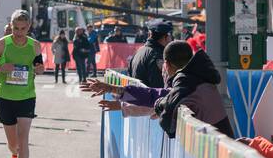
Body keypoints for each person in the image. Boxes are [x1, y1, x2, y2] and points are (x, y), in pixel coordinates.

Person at [88, 41, 234, 138]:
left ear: (167, 64)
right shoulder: (197, 78)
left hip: (217, 157)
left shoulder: (187, 84)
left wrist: (112, 89)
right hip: (220, 148)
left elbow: (160, 103)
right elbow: (161, 98)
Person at [0, 9, 44, 158]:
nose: (19, 33)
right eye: (16, 28)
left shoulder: (34, 46)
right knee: (13, 144)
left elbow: (39, 66)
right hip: (5, 97)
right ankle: (14, 154)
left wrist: (39, 69)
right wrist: (0, 67)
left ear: (28, 27)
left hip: (26, 96)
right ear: (10, 26)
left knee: (23, 139)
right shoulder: (3, 44)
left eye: (23, 28)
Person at [127, 22, 172, 89]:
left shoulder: (139, 51)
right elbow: (158, 87)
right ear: (165, 37)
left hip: (138, 97)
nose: (170, 38)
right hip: (151, 98)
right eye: (169, 35)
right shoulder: (157, 55)